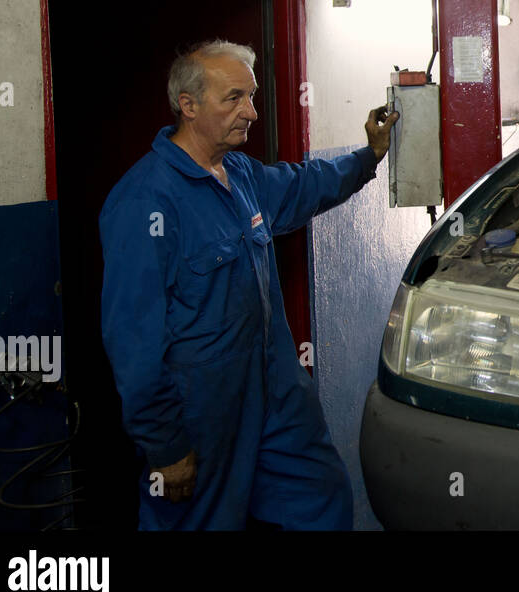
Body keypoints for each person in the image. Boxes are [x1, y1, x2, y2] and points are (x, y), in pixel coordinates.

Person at [98, 39, 397, 529]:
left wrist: (368, 156)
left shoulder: (239, 173)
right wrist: (165, 443)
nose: (252, 112)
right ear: (188, 106)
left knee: (320, 498)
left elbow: (304, 184)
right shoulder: (144, 203)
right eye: (233, 98)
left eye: (252, 96)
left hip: (275, 387)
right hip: (203, 408)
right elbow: (133, 341)